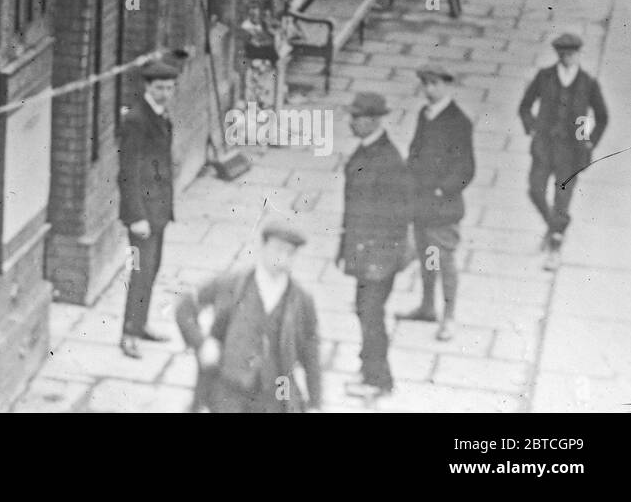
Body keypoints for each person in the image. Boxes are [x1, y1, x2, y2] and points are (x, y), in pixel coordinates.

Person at [175, 220, 322, 413]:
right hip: (229, 389)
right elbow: (185, 307)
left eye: (290, 253)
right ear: (262, 248)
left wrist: (315, 404)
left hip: (275, 394)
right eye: (278, 249)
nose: (283, 258)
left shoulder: (301, 300)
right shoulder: (232, 284)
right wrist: (202, 344)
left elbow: (311, 352)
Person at [337, 91, 413, 401]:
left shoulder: (388, 160)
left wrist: (379, 259)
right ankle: (368, 366)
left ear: (373, 120)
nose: (351, 122)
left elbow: (399, 215)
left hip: (379, 255)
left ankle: (379, 380)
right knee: (364, 309)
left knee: (371, 312)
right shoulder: (368, 150)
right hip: (365, 251)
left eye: (357, 117)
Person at [518, 32, 609, 271]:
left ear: (579, 54)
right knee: (535, 189)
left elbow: (602, 117)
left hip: (572, 152)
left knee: (562, 198)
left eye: (572, 54)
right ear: (558, 55)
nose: (567, 58)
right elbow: (525, 106)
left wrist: (590, 142)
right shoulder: (545, 77)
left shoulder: (588, 83)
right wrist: (532, 127)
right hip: (545, 147)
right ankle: (555, 227)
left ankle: (554, 250)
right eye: (563, 54)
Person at [397, 65, 475, 341]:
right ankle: (427, 306)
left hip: (443, 206)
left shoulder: (459, 121)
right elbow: (415, 150)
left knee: (444, 259)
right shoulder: (425, 115)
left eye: (433, 84)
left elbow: (466, 167)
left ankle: (449, 315)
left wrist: (444, 189)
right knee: (425, 253)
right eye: (425, 84)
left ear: (447, 85)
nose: (428, 89)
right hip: (420, 201)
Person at [117, 57, 178, 358]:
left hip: (158, 211)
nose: (165, 93)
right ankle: (129, 333)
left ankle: (140, 325)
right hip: (143, 213)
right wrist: (136, 216)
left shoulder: (161, 115)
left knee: (152, 269)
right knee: (140, 271)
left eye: (169, 87)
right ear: (146, 86)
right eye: (159, 87)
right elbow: (127, 172)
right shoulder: (137, 121)